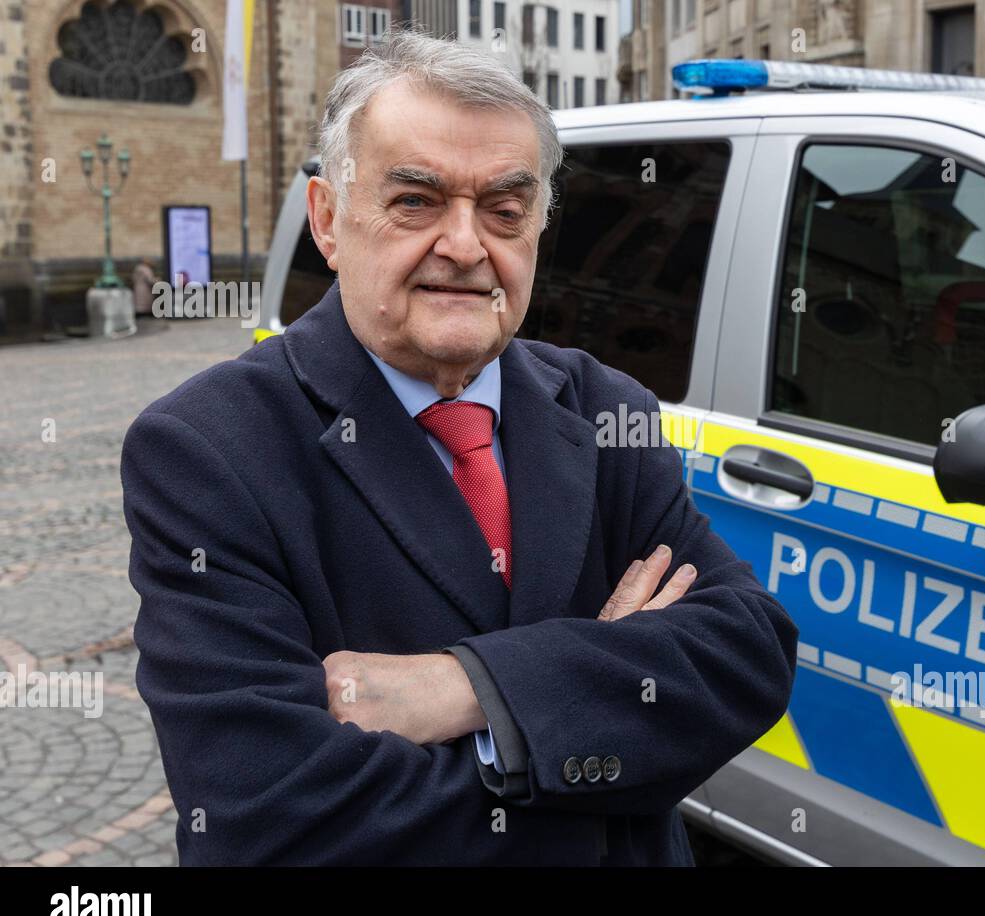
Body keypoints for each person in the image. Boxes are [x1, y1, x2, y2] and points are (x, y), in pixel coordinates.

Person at [119, 32, 797, 866]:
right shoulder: (208, 449)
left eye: (506, 211)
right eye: (417, 201)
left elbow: (747, 656)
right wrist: (605, 757)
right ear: (329, 221)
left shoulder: (607, 408)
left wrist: (465, 689)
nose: (469, 247)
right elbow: (267, 815)